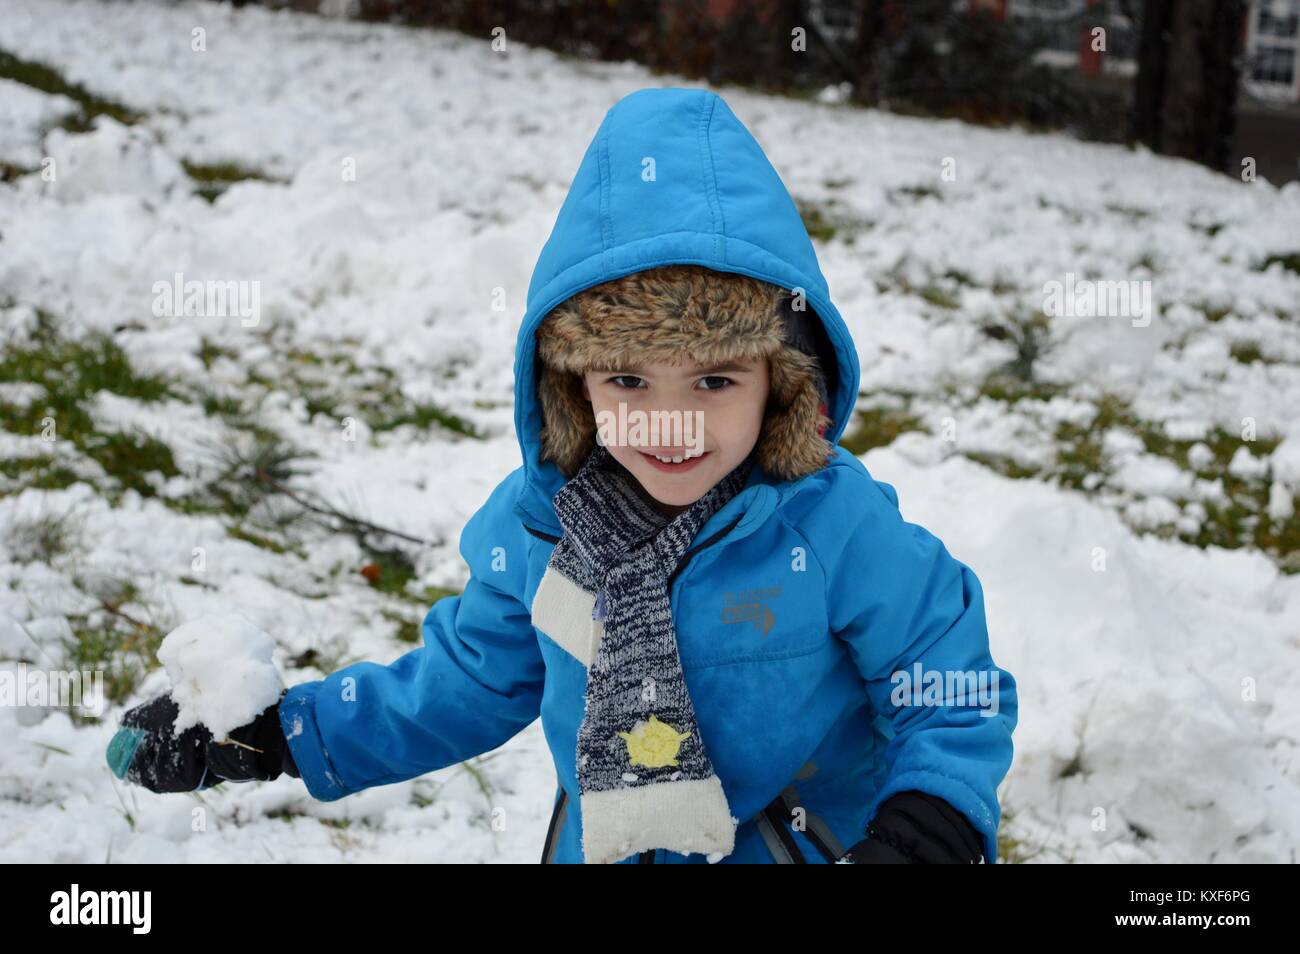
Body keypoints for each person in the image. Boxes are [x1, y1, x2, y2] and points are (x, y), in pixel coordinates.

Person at [108, 86, 1017, 864]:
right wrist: (279, 734)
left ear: (781, 382)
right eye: (628, 380)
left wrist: (928, 824)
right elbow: (465, 684)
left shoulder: (833, 525)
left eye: (714, 381)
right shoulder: (543, 531)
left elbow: (944, 677)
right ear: (571, 388)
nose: (670, 422)